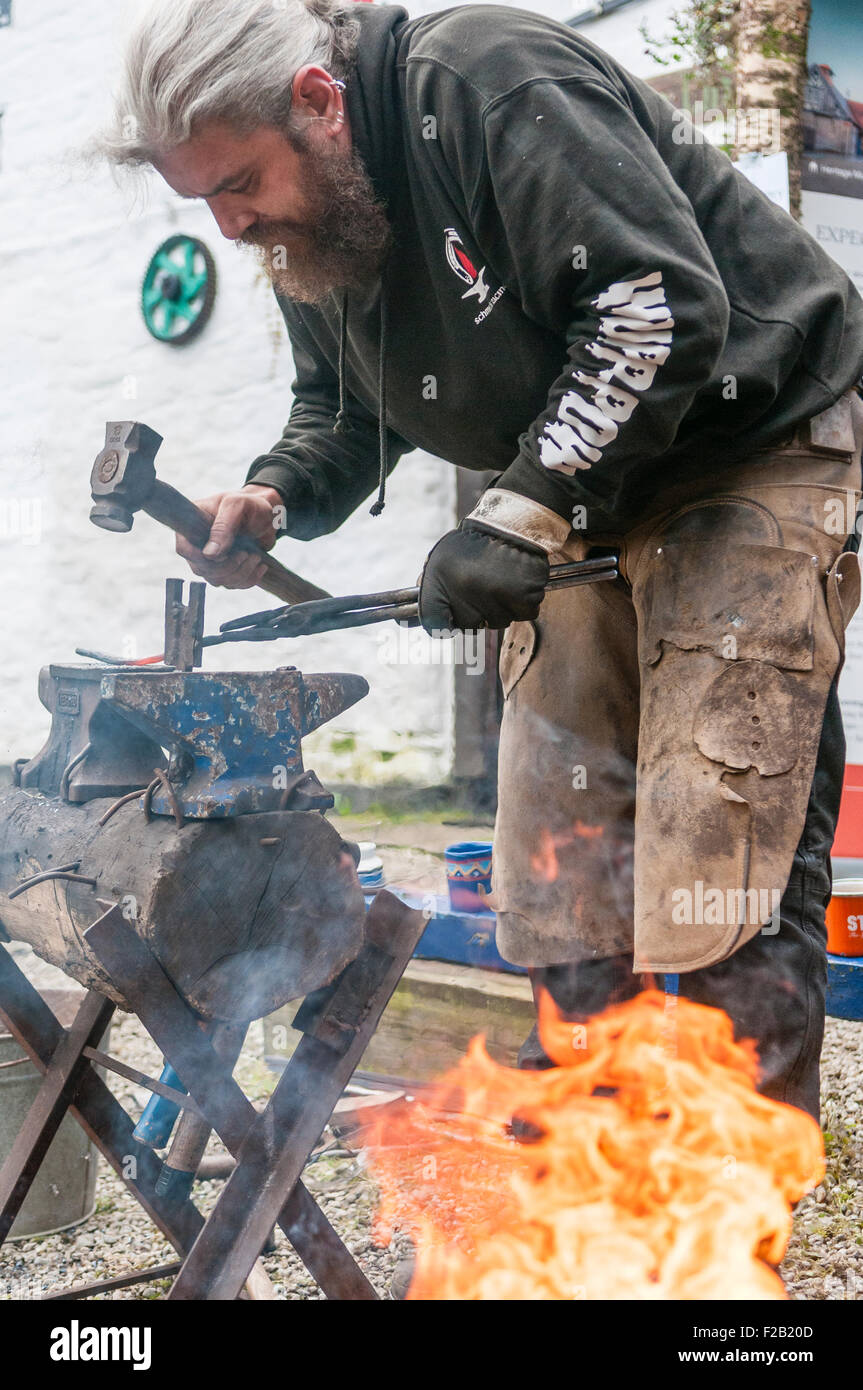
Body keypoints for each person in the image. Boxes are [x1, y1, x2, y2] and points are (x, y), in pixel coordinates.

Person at [101, 0, 863, 1118]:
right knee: (556, 855)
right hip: (587, 487)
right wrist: (272, 495)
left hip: (743, 443)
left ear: (318, 104)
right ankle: (593, 1163)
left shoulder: (484, 82)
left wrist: (520, 514)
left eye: (238, 184)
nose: (229, 226)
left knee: (711, 845)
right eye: (205, 199)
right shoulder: (319, 224)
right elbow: (342, 404)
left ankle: (725, 1217)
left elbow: (649, 312)